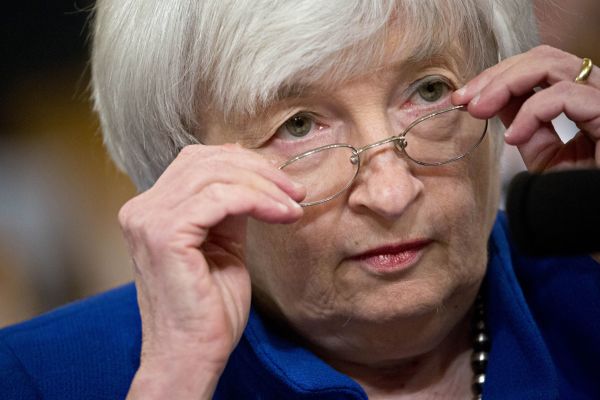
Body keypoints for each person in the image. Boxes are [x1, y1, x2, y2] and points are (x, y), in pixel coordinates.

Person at [1, 1, 599, 399]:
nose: (392, 194)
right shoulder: (37, 377)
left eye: (429, 91)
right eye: (297, 126)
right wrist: (175, 381)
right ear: (181, 168)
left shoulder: (584, 293)